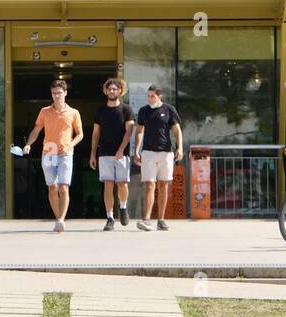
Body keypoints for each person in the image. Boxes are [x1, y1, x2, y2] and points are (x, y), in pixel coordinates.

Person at [22, 79, 84, 233]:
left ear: (65, 93)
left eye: (59, 93)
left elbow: (80, 134)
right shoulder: (44, 111)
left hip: (65, 153)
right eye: (54, 93)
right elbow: (36, 130)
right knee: (52, 187)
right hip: (48, 151)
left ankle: (61, 219)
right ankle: (59, 219)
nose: (56, 96)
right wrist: (29, 144)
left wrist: (70, 144)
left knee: (63, 187)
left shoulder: (73, 112)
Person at [132, 85, 182, 231]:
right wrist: (136, 151)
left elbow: (177, 130)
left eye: (152, 96)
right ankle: (146, 220)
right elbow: (139, 131)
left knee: (163, 185)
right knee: (149, 185)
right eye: (148, 96)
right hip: (148, 153)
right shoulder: (143, 111)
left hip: (166, 153)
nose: (149, 98)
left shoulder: (169, 109)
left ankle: (161, 220)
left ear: (160, 96)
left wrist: (179, 148)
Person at [89, 78, 134, 230]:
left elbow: (129, 132)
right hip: (104, 153)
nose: (112, 91)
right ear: (106, 91)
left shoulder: (126, 109)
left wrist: (121, 149)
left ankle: (123, 207)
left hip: (122, 153)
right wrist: (93, 154)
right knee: (108, 185)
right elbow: (96, 133)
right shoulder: (100, 110)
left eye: (115, 89)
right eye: (110, 89)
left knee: (122, 184)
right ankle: (109, 218)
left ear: (120, 91)